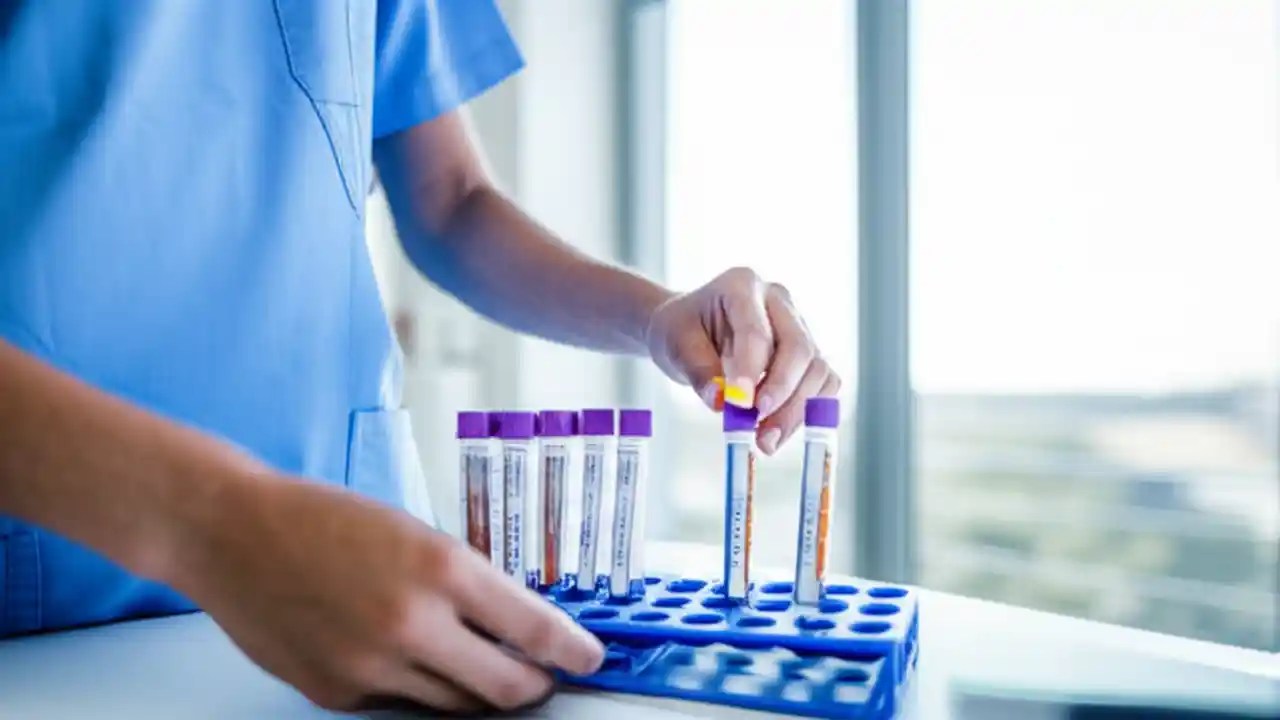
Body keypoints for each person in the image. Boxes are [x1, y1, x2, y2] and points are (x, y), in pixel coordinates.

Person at [0, 1, 839, 714]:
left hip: (357, 583)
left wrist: (656, 317)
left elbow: (451, 200)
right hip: (51, 585)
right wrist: (214, 524)